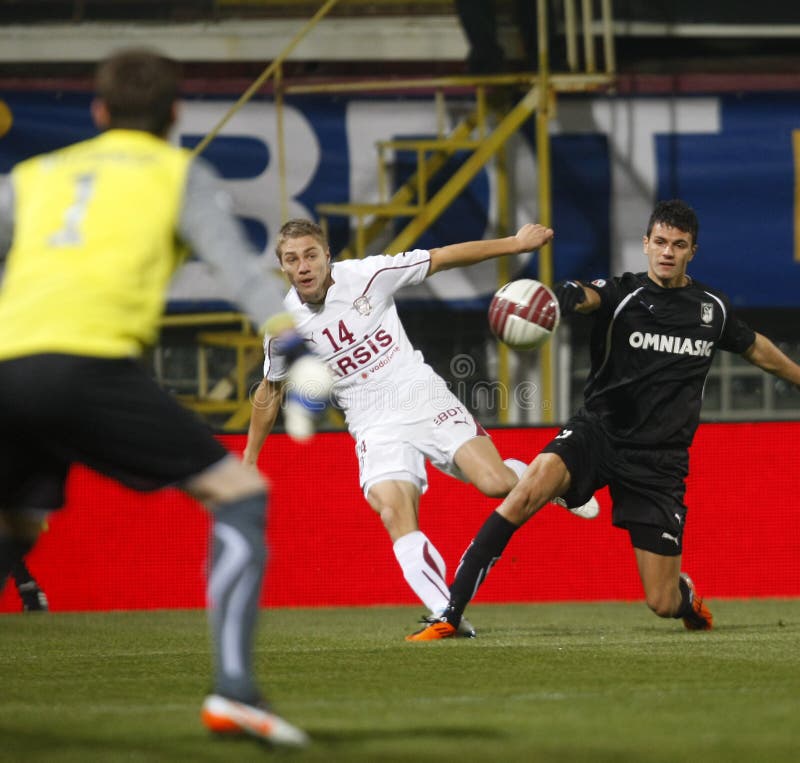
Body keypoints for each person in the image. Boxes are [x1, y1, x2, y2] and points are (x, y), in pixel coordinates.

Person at [0, 48, 317, 746]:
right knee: (239, 492)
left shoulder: (29, 176)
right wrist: (290, 340)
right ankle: (235, 691)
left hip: (7, 364)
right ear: (176, 114)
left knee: (18, 525)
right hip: (88, 362)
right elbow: (241, 273)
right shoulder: (179, 176)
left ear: (99, 112)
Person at [408, 198, 800, 641]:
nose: (667, 252)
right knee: (526, 491)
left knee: (662, 601)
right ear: (645, 244)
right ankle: (449, 613)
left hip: (659, 461)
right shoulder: (622, 294)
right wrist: (557, 298)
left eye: (678, 244)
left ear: (692, 251)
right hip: (597, 433)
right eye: (659, 242)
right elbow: (584, 295)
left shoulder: (710, 309)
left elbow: (757, 348)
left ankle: (685, 598)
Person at [243, 218, 598, 639]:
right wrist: (249, 457)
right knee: (394, 510)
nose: (303, 266)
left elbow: (443, 258)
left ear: (327, 256)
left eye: (310, 255)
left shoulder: (369, 275)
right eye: (291, 259)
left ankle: (541, 479)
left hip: (420, 396)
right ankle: (446, 614)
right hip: (372, 423)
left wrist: (515, 244)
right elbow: (270, 391)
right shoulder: (283, 326)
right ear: (282, 267)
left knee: (496, 484)